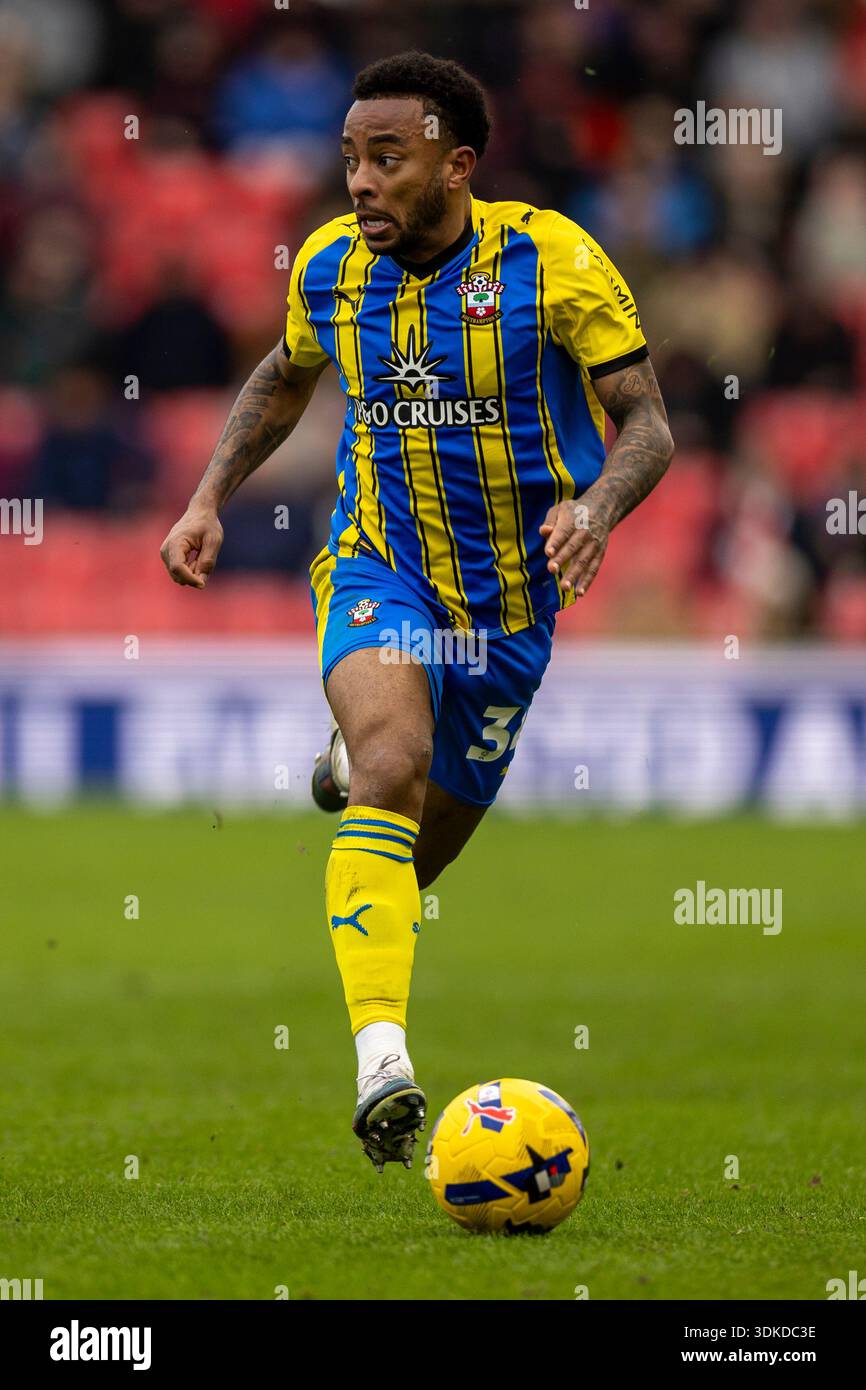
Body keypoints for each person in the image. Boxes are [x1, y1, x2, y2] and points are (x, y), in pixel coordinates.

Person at [160, 51, 674, 1173]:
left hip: (510, 611)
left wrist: (595, 507)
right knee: (391, 759)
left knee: (407, 862)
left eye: (385, 158)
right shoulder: (333, 268)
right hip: (378, 567)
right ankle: (382, 1064)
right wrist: (207, 499)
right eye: (349, 158)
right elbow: (282, 376)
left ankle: (355, 772)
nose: (359, 182)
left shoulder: (553, 261)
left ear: (456, 164)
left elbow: (647, 424)